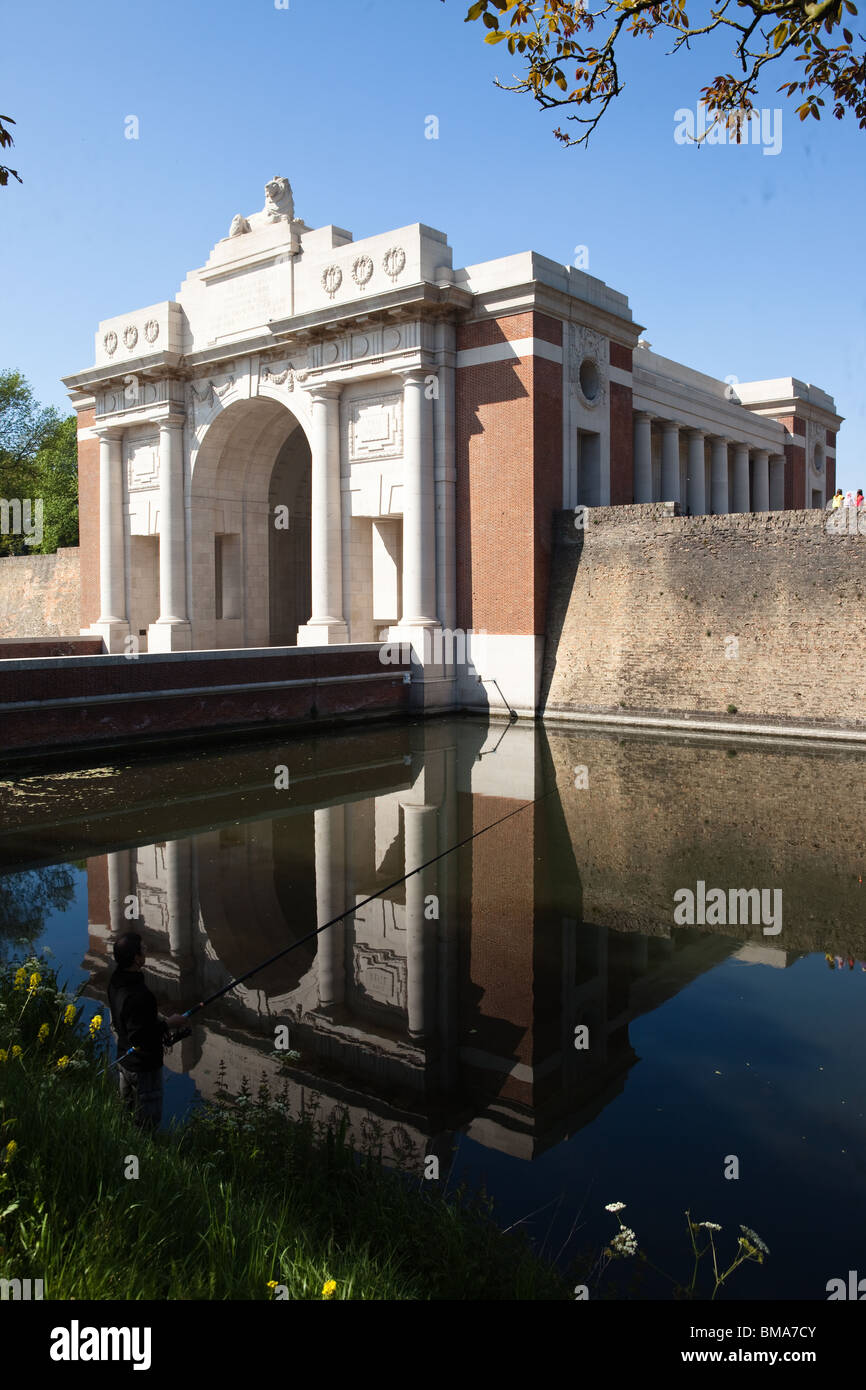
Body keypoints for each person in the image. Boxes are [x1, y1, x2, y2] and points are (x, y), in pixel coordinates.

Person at [107, 931, 187, 1132]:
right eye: (143, 949)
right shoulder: (140, 995)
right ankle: (140, 1159)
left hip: (124, 1061)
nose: (146, 951)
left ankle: (124, 1149)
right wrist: (169, 1024)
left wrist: (157, 1020)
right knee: (147, 1126)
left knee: (126, 1118)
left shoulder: (115, 982)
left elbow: (132, 1020)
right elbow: (140, 1037)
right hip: (144, 1070)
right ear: (136, 958)